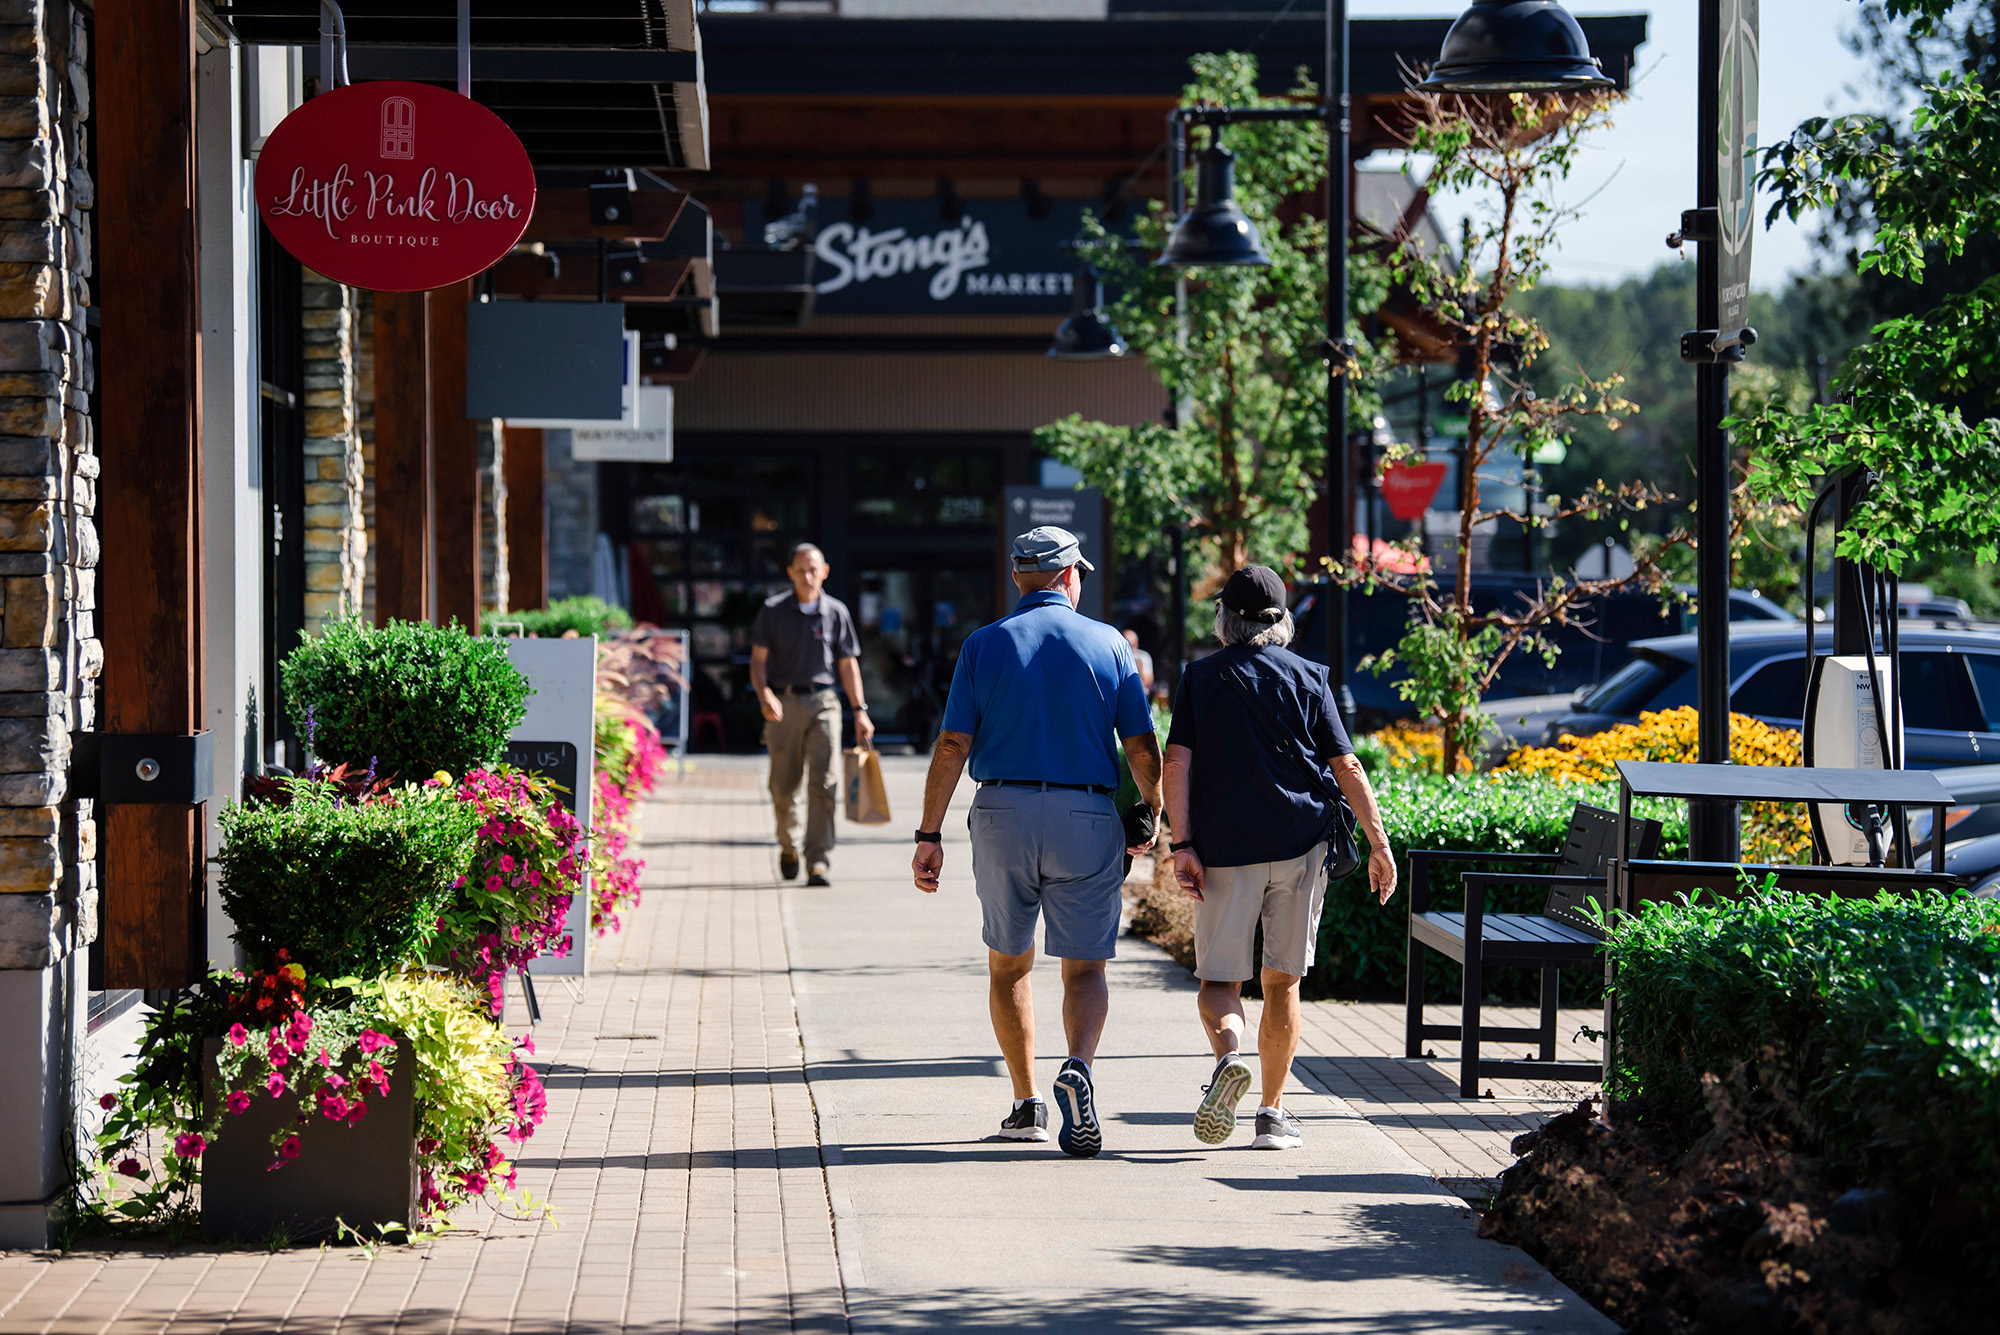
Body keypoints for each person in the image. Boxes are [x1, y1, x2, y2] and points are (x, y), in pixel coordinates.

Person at [911, 526, 1161, 1158]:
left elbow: (952, 745)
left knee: (1009, 961)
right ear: (1070, 576)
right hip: (1086, 814)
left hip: (1001, 812)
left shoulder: (982, 645)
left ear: (1018, 577)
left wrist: (929, 832)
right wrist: (1156, 813)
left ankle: (1026, 1106)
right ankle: (1078, 1066)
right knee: (1084, 966)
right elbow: (1140, 746)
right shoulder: (1109, 644)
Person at [1162, 565, 1396, 1151]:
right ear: (1283, 621)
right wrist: (1378, 842)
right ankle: (1270, 1114)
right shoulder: (1310, 676)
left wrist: (1181, 844)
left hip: (1224, 851)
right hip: (1301, 846)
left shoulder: (1199, 678)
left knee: (1220, 980)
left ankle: (1228, 1061)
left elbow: (1176, 766)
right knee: (1282, 983)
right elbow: (1347, 767)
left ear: (1224, 619)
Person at [750, 542, 874, 887]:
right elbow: (758, 661)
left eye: (813, 569)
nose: (808, 576)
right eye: (801, 569)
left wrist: (859, 710)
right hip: (783, 704)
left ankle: (818, 859)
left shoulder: (836, 612)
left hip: (824, 702)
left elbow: (848, 664)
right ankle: (788, 845)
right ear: (790, 572)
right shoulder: (772, 611)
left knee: (824, 782)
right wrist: (764, 695)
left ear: (825, 571)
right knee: (783, 786)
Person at [1122, 628, 1156, 697]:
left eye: (1132, 645)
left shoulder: (1143, 657)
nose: (1130, 649)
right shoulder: (1117, 658)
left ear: (1137, 644)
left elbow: (1148, 682)